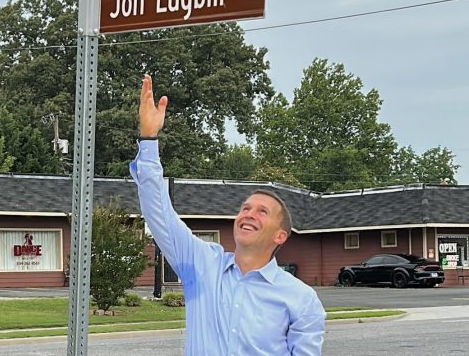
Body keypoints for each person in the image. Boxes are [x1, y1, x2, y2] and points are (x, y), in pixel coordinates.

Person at [130, 74, 325, 356]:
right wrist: (149, 139)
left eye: (262, 211)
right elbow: (159, 214)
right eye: (245, 208)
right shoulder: (203, 266)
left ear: (280, 235)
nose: (248, 214)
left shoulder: (300, 299)